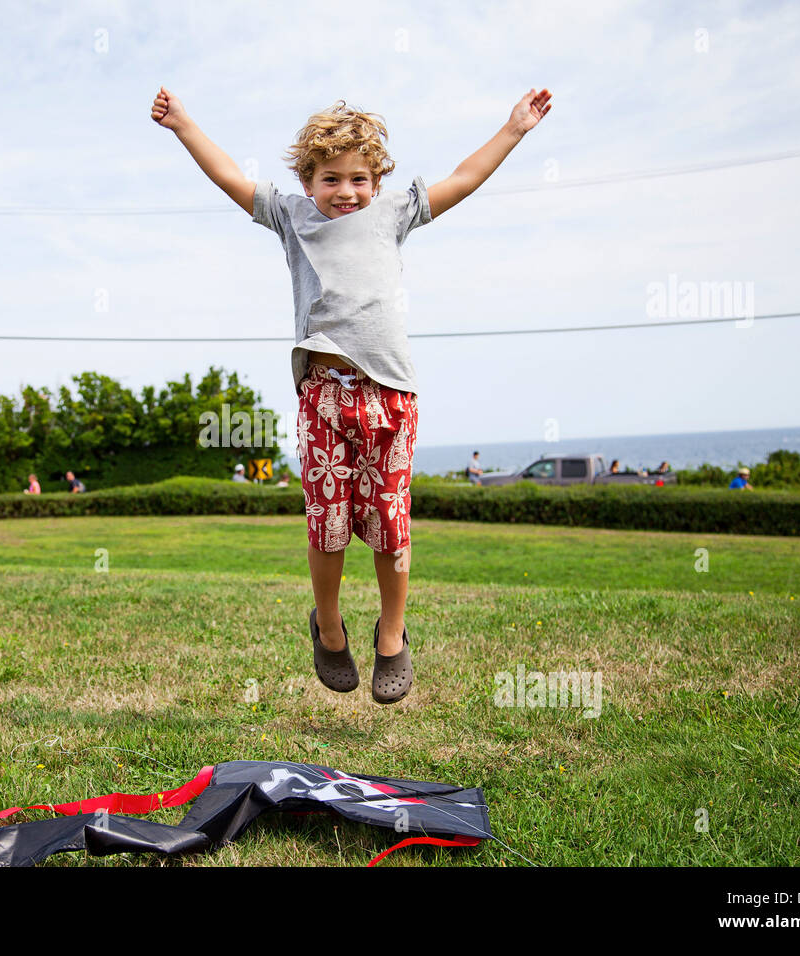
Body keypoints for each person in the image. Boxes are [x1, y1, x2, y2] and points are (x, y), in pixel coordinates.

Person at [153, 84, 552, 704]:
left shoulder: (393, 213)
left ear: (377, 179)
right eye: (331, 178)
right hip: (324, 396)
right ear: (307, 180)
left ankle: (391, 634)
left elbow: (463, 179)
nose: (346, 191)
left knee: (392, 525)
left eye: (359, 178)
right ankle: (329, 624)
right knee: (327, 522)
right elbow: (229, 176)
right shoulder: (291, 216)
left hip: (391, 395)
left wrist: (513, 129)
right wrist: (184, 125)